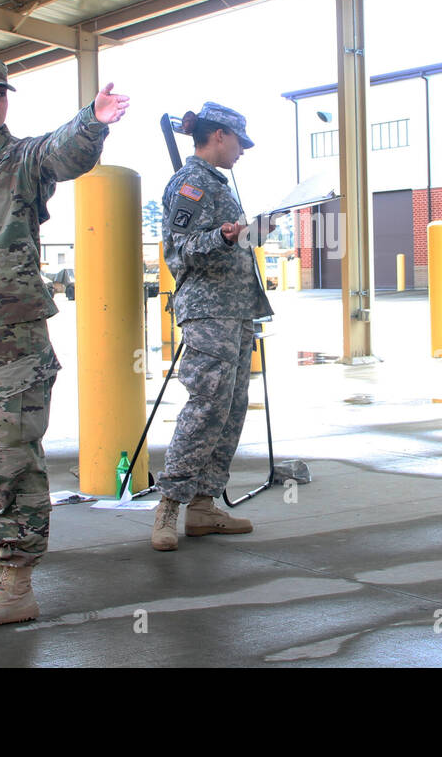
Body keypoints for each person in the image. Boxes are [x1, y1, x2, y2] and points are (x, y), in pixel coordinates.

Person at [0, 57, 129, 626]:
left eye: (0, 93)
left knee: (13, 456)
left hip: (11, 337)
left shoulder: (23, 159)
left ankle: (17, 582)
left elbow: (67, 152)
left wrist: (94, 119)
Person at [152, 102, 278, 551]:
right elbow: (180, 249)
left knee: (231, 407)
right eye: (239, 142)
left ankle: (203, 506)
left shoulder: (216, 184)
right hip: (209, 311)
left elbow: (221, 243)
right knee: (206, 404)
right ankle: (169, 505)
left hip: (237, 308)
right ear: (220, 135)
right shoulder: (190, 184)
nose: (242, 151)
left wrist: (247, 233)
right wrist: (223, 237)